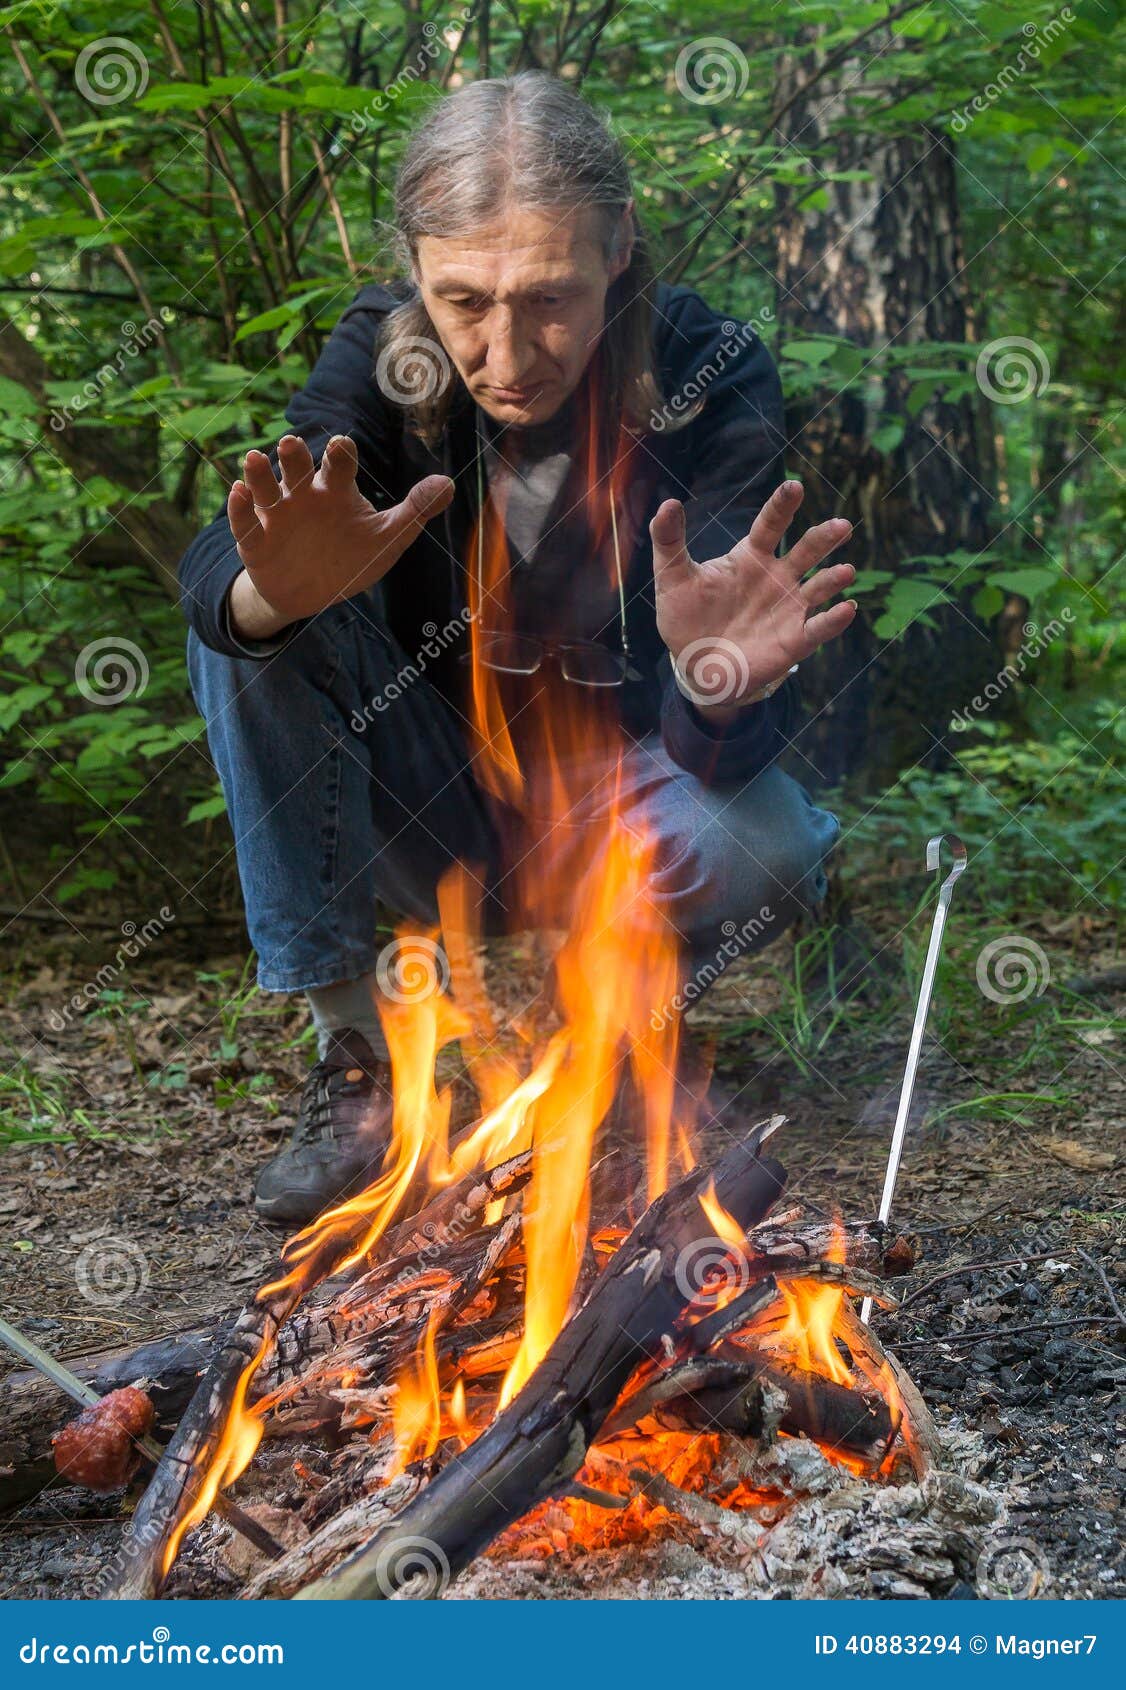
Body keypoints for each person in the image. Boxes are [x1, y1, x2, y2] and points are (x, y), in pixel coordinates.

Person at [180, 71, 857, 1227]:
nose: (507, 353)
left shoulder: (705, 368)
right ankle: (358, 1063)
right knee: (253, 631)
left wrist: (714, 685)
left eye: (549, 296)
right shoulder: (383, 359)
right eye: (463, 302)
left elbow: (737, 736)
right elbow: (222, 569)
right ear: (413, 271)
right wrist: (264, 595)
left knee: (775, 838)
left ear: (621, 244)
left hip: (625, 807)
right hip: (429, 808)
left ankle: (623, 1018)